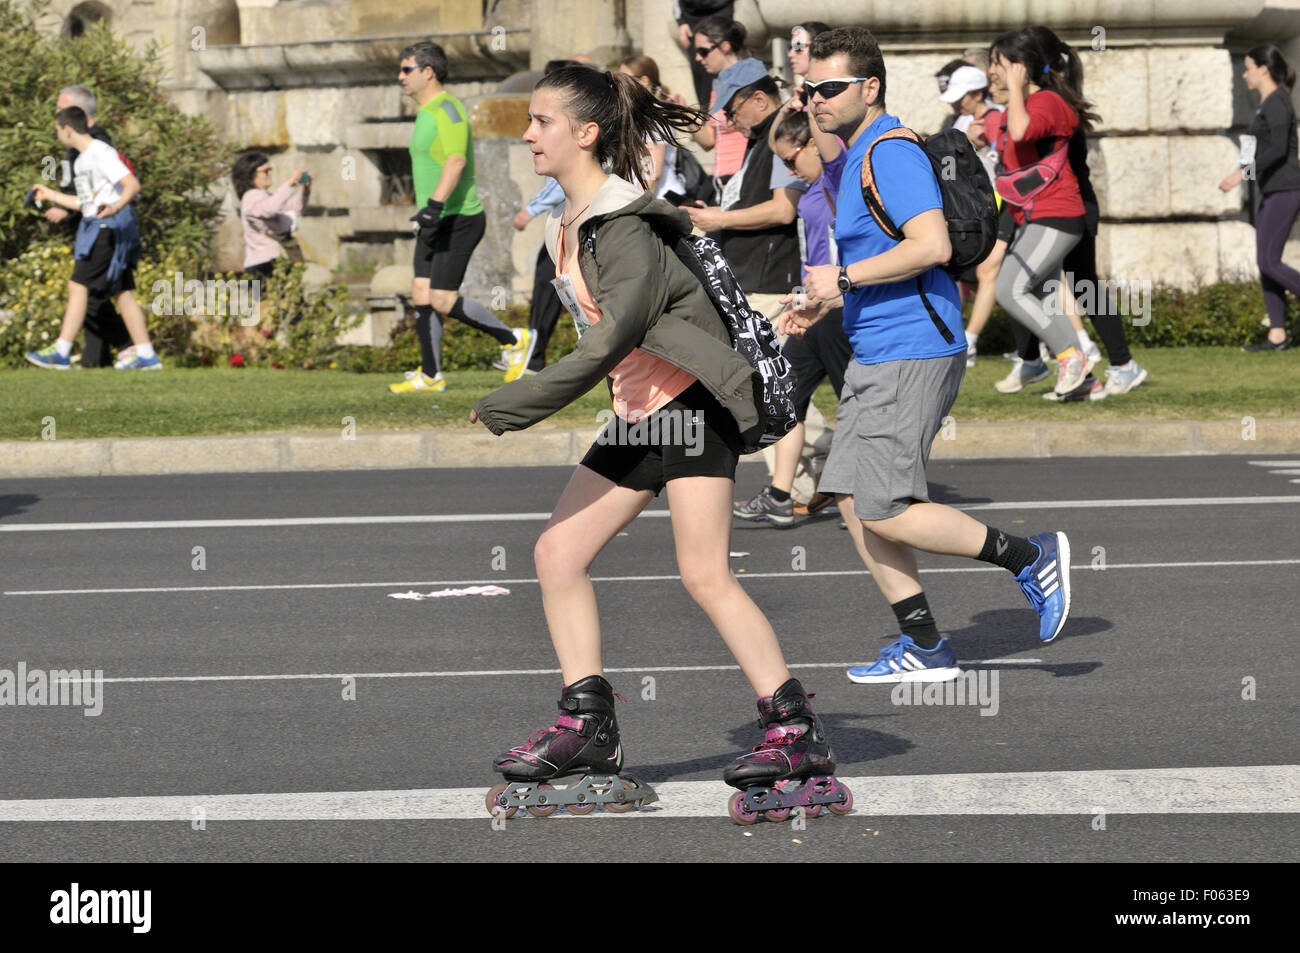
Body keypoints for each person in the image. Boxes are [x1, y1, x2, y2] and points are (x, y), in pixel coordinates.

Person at [470, 64, 844, 815]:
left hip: (694, 403)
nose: (529, 132)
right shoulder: (565, 225)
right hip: (645, 413)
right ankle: (589, 726)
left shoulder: (627, 224)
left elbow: (616, 335)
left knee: (704, 572)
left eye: (543, 121)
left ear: (586, 133)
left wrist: (516, 402)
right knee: (557, 552)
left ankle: (794, 726)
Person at [783, 27, 1072, 683]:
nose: (817, 101)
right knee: (854, 498)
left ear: (871, 87)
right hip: (877, 345)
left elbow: (932, 245)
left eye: (830, 89)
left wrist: (846, 280)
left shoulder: (890, 152)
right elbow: (837, 178)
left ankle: (1029, 555)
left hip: (911, 347)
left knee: (884, 505)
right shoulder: (852, 155)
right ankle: (925, 645)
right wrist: (827, 300)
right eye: (809, 91)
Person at [391, 40, 533, 393]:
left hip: (458, 218)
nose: (400, 77)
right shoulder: (425, 112)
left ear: (428, 72)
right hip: (433, 218)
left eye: (406, 69)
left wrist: (435, 206)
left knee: (441, 298)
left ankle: (513, 339)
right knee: (420, 292)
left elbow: (457, 160)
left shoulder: (448, 109)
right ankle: (430, 375)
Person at [735, 99, 851, 525]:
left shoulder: (840, 182)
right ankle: (781, 495)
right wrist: (786, 113)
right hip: (817, 307)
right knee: (784, 394)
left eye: (790, 159)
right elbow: (782, 140)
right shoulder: (811, 188)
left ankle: (879, 493)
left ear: (814, 145)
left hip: (843, 307)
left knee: (857, 404)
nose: (788, 170)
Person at [981, 27, 1094, 397]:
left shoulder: (1047, 103)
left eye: (998, 63)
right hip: (1032, 217)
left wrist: (1015, 90)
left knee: (1009, 288)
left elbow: (1020, 131)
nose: (991, 70)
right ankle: (1081, 376)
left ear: (1022, 66)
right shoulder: (1015, 107)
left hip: (1058, 215)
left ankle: (1070, 357)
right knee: (1043, 296)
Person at [26, 107, 161, 371]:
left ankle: (62, 352)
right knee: (122, 292)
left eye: (57, 130)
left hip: (106, 229)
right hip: (98, 225)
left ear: (67, 129)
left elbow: (131, 184)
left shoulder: (100, 152)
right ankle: (147, 355)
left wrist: (116, 206)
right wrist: (49, 195)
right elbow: (84, 203)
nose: (58, 135)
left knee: (78, 285)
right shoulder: (81, 160)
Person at [684, 58, 806, 320]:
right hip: (752, 279)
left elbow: (783, 209)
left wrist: (722, 218)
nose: (729, 121)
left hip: (771, 286)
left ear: (760, 100)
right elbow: (753, 198)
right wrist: (716, 213)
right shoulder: (760, 137)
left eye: (732, 111)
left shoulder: (783, 131)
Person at [46, 86, 132, 369]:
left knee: (87, 289)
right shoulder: (81, 152)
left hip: (104, 227)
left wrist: (113, 209)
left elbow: (125, 185)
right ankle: (101, 359)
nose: (57, 112)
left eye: (62, 107)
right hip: (92, 226)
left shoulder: (97, 147)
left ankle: (127, 349)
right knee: (98, 293)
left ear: (76, 115)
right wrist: (59, 200)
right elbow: (85, 196)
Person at [1221, 44, 1300, 352]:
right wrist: (1245, 171)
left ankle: (1278, 333)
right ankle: (1277, 335)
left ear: (1264, 69)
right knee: (1264, 262)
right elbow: (1253, 147)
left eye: (1249, 67)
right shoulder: (1265, 104)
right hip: (1271, 190)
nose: (1244, 74)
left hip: (1286, 188)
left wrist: (1241, 174)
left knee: (1269, 260)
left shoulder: (1278, 101)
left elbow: (1279, 148)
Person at [941, 64, 1005, 367]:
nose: (957, 102)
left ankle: (970, 342)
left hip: (1003, 205)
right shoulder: (964, 120)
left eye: (963, 96)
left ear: (978, 93)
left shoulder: (994, 118)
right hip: (978, 206)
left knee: (987, 273)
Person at [667, 15, 750, 200]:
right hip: (722, 181)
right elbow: (709, 141)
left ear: (725, 46)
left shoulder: (749, 81)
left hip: (745, 180)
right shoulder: (718, 85)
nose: (697, 58)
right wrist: (683, 111)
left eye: (703, 52)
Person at [231, 151, 310, 280]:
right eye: (265, 171)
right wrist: (289, 183)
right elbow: (270, 208)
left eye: (270, 169)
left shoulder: (264, 196)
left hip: (274, 262)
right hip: (263, 265)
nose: (270, 173)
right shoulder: (250, 197)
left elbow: (294, 209)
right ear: (250, 175)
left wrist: (305, 190)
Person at [618, 56, 688, 200]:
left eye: (624, 79)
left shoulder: (653, 115)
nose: (620, 85)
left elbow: (652, 173)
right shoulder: (639, 113)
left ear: (644, 80)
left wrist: (635, 208)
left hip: (659, 201)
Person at [672, 0, 735, 113]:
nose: (698, 57)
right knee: (702, 77)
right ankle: (708, 116)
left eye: (703, 53)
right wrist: (681, 21)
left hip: (723, 10)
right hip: (692, 16)